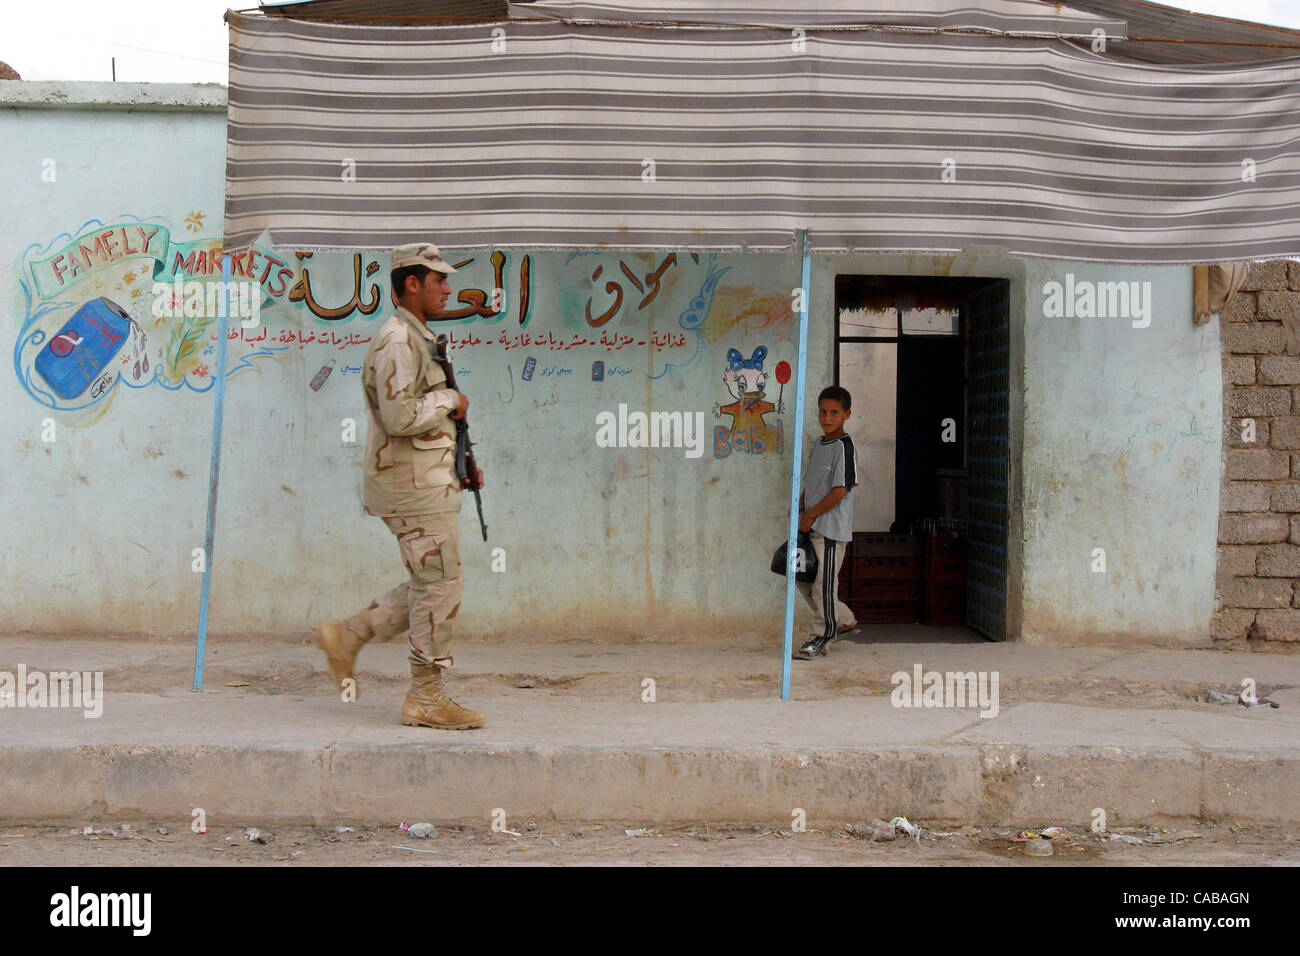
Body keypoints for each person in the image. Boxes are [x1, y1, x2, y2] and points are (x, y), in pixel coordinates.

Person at [315, 242, 485, 729]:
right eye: (439, 281)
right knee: (440, 586)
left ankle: (348, 635)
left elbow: (421, 419)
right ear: (412, 283)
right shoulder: (397, 341)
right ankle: (425, 698)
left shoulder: (418, 337)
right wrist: (451, 399)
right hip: (411, 486)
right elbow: (400, 415)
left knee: (433, 581)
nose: (449, 289)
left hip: (427, 479)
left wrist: (458, 464)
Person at [793, 386, 860, 660]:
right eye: (823, 411)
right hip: (811, 526)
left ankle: (821, 636)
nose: (827, 418)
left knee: (824, 585)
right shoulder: (820, 444)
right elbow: (813, 481)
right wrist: (801, 505)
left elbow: (839, 490)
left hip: (830, 530)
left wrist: (811, 514)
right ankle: (843, 620)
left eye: (834, 413)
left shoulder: (844, 447)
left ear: (847, 414)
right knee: (805, 581)